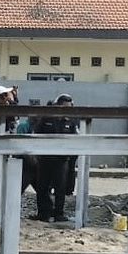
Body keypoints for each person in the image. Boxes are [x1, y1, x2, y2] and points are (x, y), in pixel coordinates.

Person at [33, 93, 78, 222]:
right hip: (45, 159)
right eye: (64, 107)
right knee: (42, 187)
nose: (66, 111)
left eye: (69, 108)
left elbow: (75, 139)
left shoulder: (70, 121)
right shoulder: (46, 118)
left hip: (61, 160)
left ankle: (59, 214)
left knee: (61, 188)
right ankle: (43, 213)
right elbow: (37, 133)